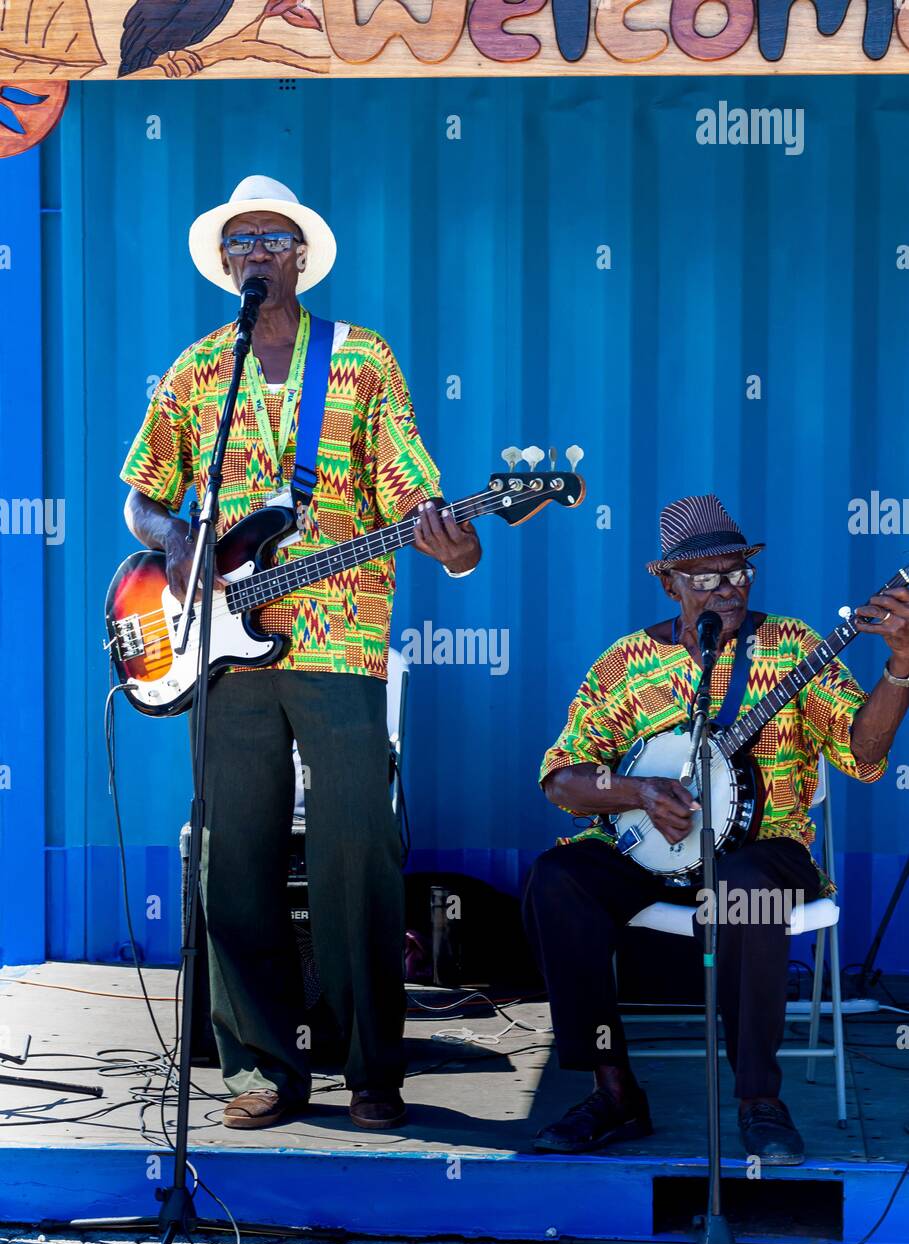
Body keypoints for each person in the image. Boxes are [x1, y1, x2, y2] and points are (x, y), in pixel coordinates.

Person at [121, 175, 480, 1131]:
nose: (256, 254)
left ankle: (371, 1071)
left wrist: (448, 537)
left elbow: (412, 492)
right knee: (232, 857)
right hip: (221, 645)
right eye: (241, 242)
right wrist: (170, 540)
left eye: (273, 238)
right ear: (226, 264)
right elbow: (142, 494)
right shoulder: (200, 368)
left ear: (303, 258)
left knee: (356, 851)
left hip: (344, 636)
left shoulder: (360, 360)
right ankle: (262, 1070)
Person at [523, 494, 909, 1163]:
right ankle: (612, 1088)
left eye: (738, 574)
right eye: (705, 578)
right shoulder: (625, 664)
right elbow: (561, 777)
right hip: (653, 857)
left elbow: (863, 754)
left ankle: (760, 1100)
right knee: (556, 881)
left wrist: (901, 665)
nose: (727, 590)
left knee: (741, 887)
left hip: (766, 853)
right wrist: (636, 789)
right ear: (667, 582)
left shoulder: (791, 646)